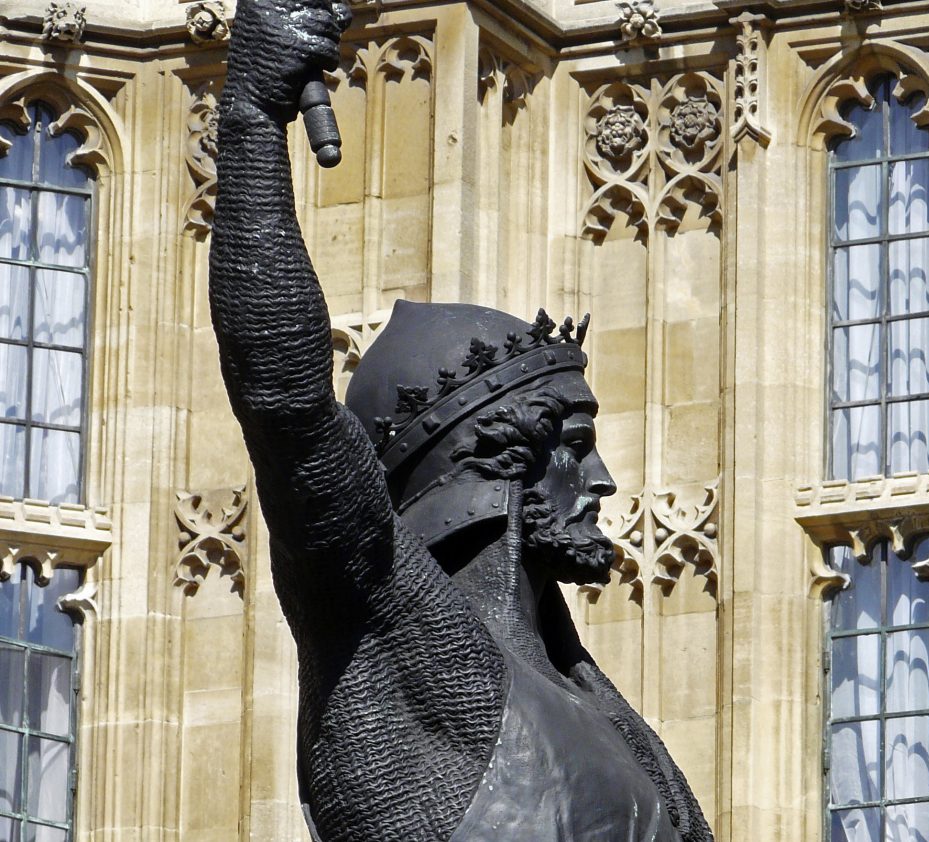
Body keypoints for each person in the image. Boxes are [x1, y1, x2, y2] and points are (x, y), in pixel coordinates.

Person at [209, 1, 714, 839]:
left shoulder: (599, 706)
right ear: (490, 457)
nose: (602, 481)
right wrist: (254, 121)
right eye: (574, 447)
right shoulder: (396, 635)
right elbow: (287, 407)